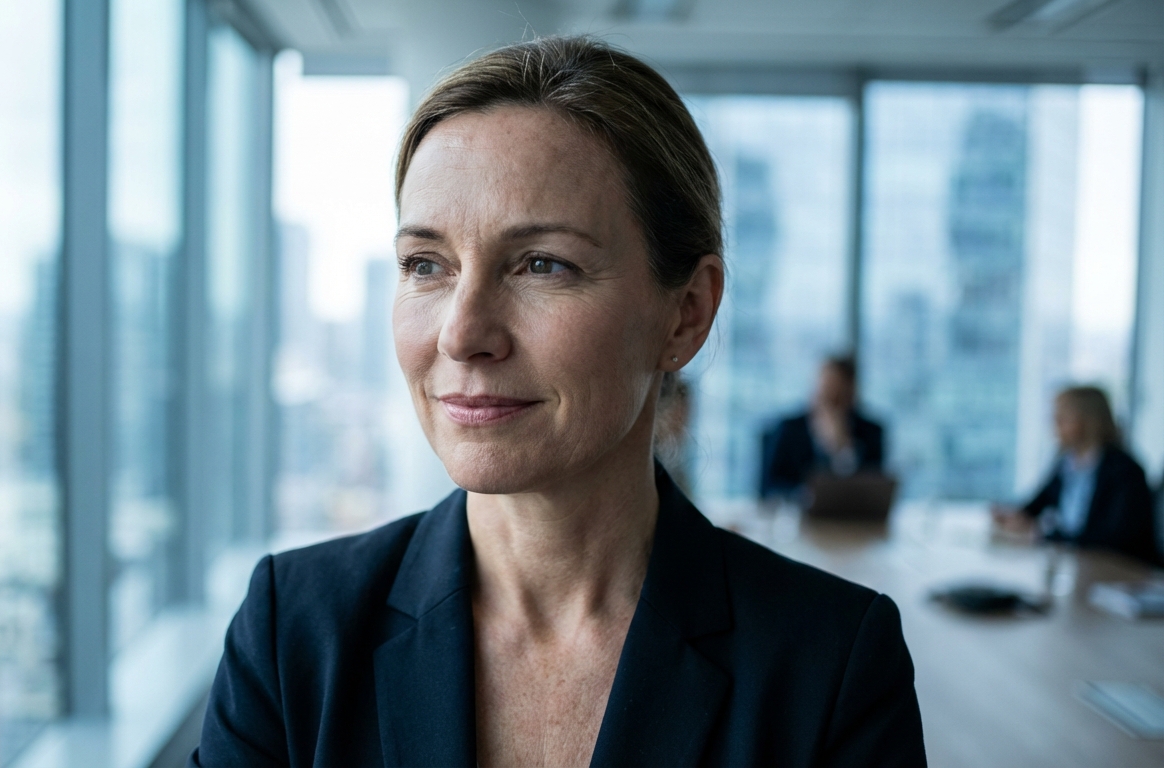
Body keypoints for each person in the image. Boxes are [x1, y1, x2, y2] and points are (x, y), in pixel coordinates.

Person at [193, 36, 924, 767]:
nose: (462, 333)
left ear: (686, 314)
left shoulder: (830, 666)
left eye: (542, 264)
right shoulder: (293, 632)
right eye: (425, 264)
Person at [994, 386, 1160, 565]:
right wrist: (1014, 517)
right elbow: (1037, 504)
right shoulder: (1067, 462)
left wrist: (1044, 535)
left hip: (1121, 570)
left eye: (1063, 417)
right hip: (1079, 563)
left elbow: (1113, 539)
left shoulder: (1124, 471)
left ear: (1088, 421)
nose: (1055, 423)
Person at [760, 355, 886, 500]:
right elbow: (769, 488)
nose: (827, 399)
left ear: (851, 394)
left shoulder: (872, 432)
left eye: (836, 393)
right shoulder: (789, 429)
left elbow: (873, 491)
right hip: (798, 516)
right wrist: (806, 497)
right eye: (823, 389)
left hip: (851, 519)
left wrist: (842, 448)